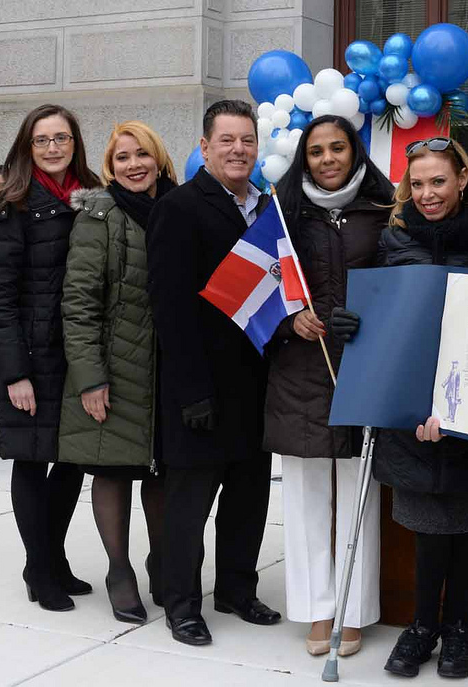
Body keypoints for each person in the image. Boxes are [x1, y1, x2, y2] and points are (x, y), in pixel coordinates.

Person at [146, 99, 280, 646]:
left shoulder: (269, 208)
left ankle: (236, 591)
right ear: (205, 148)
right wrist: (191, 391)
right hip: (199, 388)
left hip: (257, 385)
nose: (238, 149)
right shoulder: (178, 208)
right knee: (188, 506)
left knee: (248, 499)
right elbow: (171, 309)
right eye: (227, 140)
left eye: (247, 140)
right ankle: (181, 603)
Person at [266, 114, 391, 657]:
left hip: (363, 364)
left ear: (354, 151)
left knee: (360, 492)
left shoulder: (385, 208)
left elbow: (400, 279)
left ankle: (353, 610)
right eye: (316, 151)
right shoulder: (281, 212)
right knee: (306, 494)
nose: (327, 160)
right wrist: (289, 320)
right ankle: (317, 609)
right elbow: (262, 285)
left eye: (337, 148)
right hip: (301, 370)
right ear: (305, 159)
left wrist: (369, 317)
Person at [370, 136, 468, 680]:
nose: (427, 194)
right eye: (416, 184)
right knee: (424, 521)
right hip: (412, 403)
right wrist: (355, 322)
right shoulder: (393, 238)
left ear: (462, 180)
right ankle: (422, 626)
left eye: (438, 181)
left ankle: (459, 628)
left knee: (463, 519)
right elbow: (383, 318)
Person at [57, 121, 177, 624]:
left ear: (158, 158)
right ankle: (119, 570)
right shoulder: (98, 215)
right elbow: (79, 303)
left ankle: (161, 562)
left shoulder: (177, 208)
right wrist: (90, 377)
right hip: (115, 368)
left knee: (162, 469)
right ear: (110, 166)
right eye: (122, 157)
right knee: (112, 469)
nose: (134, 164)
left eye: (142, 154)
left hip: (170, 366)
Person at [0, 105, 101, 612]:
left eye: (62, 138)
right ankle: (39, 568)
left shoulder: (92, 197)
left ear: (75, 143)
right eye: (42, 140)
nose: (53, 148)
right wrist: (15, 372)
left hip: (75, 354)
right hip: (29, 358)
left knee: (72, 459)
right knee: (32, 459)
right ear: (28, 147)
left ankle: (51, 560)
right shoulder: (11, 203)